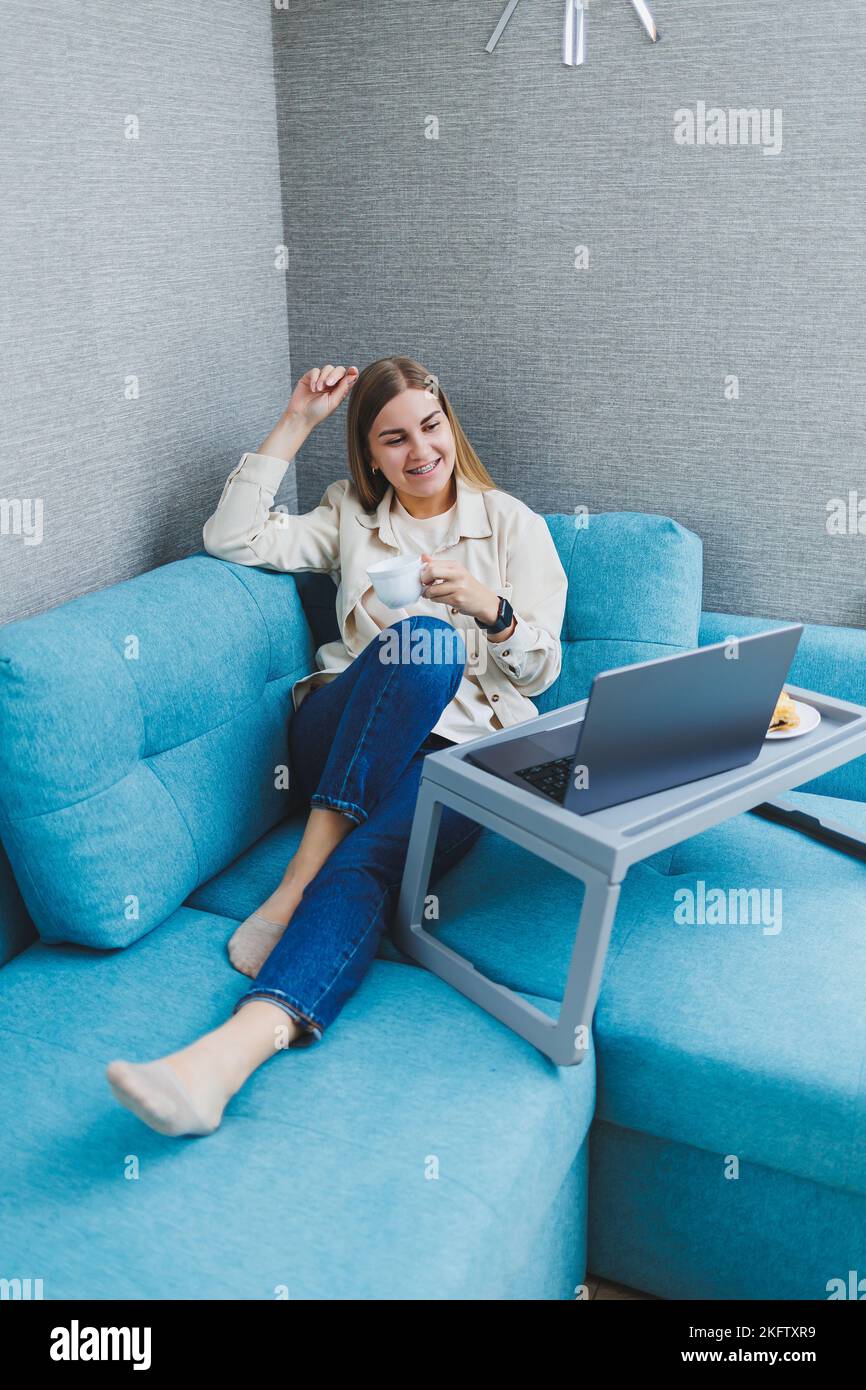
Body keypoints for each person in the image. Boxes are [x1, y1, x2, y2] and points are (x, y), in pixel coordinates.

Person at [106, 355, 568, 1137]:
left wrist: (490, 608)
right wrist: (296, 422)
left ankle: (218, 1064)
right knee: (425, 643)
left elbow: (543, 670)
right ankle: (295, 883)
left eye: (430, 427)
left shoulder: (514, 525)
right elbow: (231, 536)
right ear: (371, 455)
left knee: (371, 866)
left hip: (460, 754)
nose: (419, 451)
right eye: (394, 439)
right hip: (343, 734)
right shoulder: (350, 515)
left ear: (450, 425)